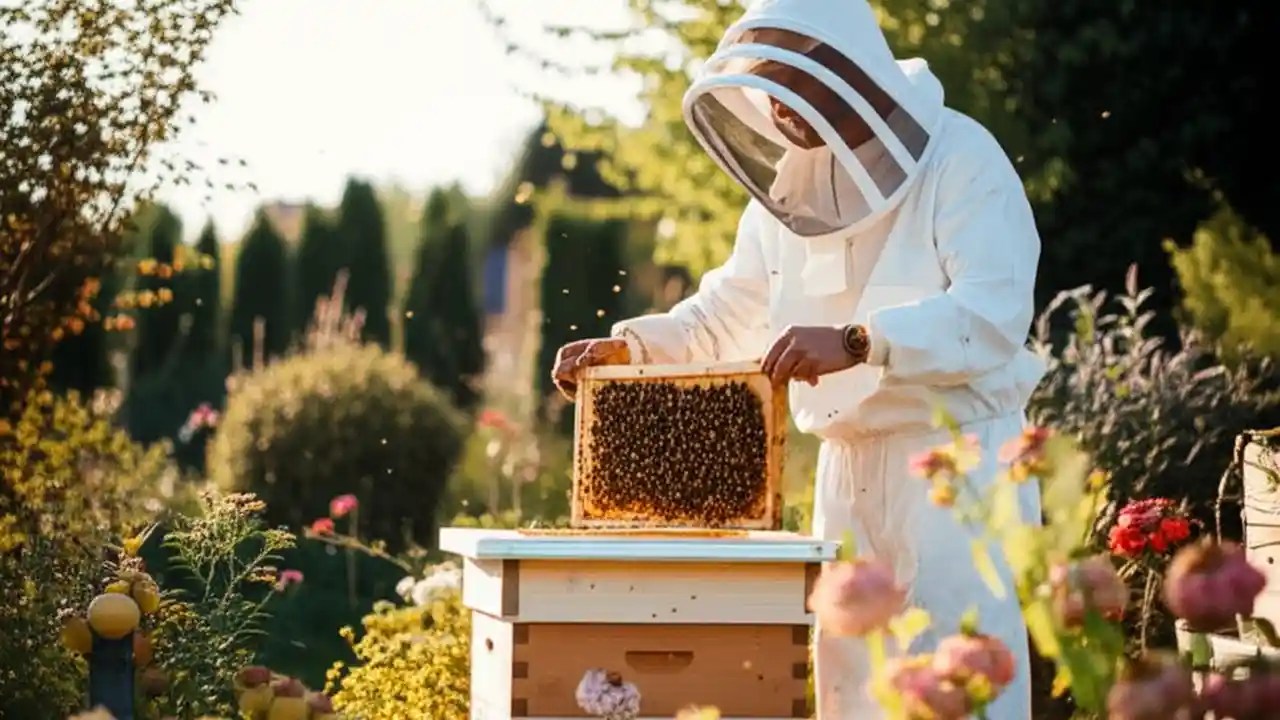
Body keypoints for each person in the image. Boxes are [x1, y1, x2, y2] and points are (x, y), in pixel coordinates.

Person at [551, 0, 1045, 717]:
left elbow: (992, 312)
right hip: (846, 469)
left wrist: (856, 341)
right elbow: (730, 313)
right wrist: (632, 347)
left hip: (957, 461)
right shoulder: (789, 190)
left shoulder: (962, 160)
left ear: (846, 74)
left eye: (791, 83)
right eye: (766, 86)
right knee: (851, 683)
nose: (776, 108)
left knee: (964, 673)